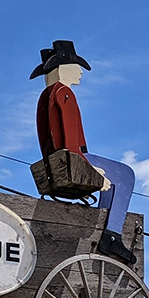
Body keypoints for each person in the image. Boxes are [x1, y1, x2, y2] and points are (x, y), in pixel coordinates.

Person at [30, 40, 136, 264]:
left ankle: (105, 226)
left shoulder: (44, 98)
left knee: (116, 176)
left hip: (54, 164)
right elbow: (69, 140)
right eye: (76, 66)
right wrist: (90, 170)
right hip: (73, 161)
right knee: (125, 174)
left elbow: (48, 139)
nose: (80, 72)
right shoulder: (64, 93)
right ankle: (112, 234)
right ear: (62, 68)